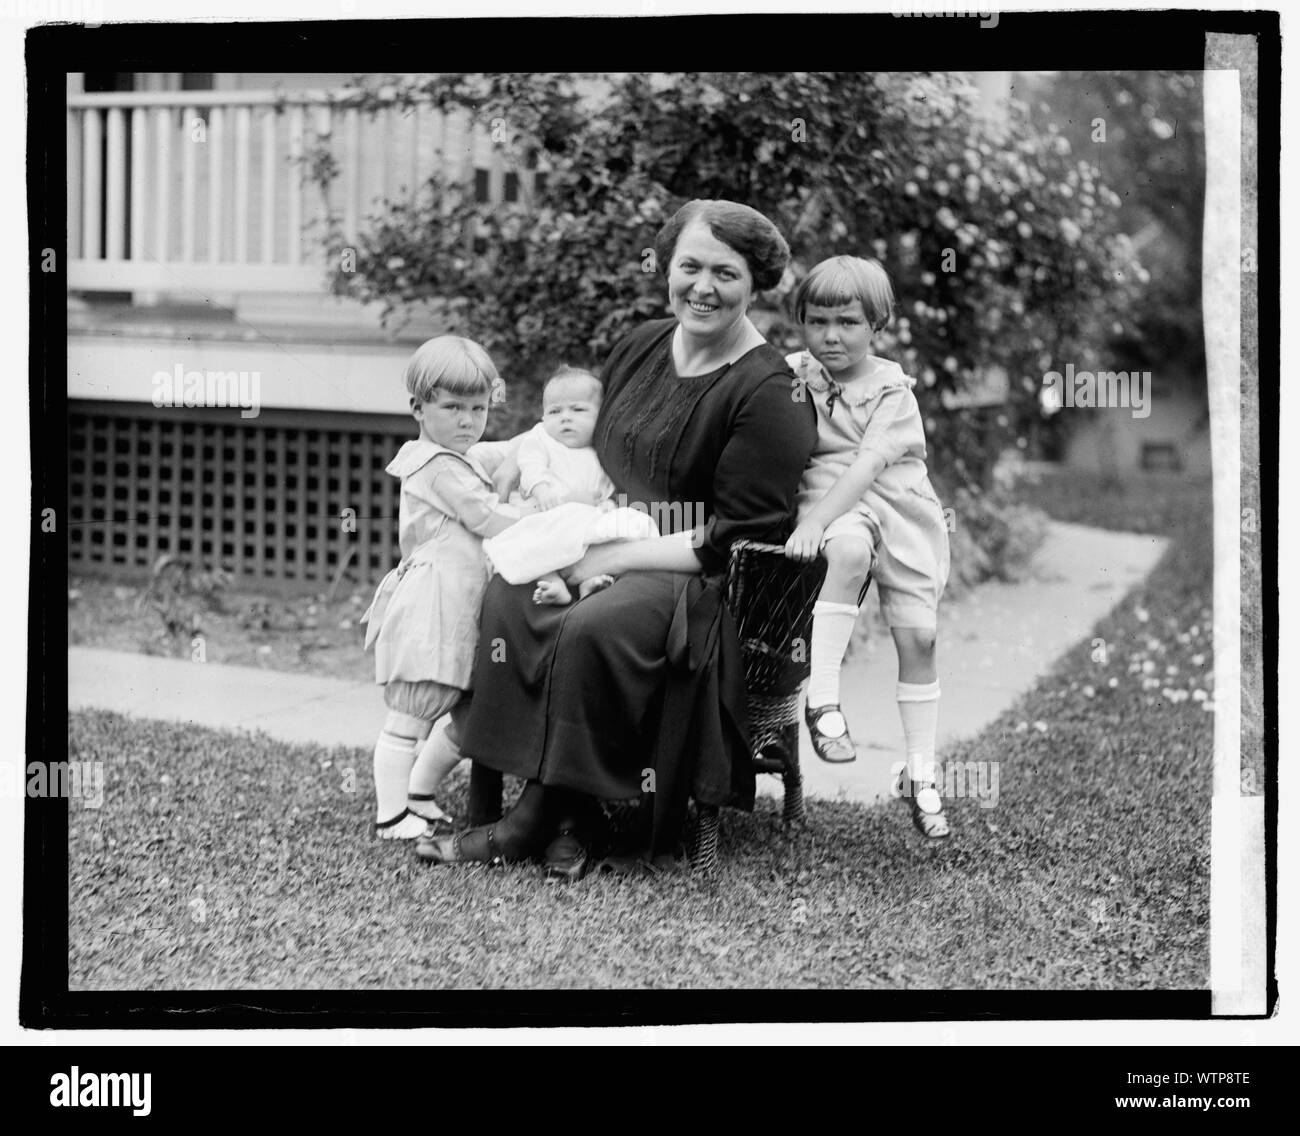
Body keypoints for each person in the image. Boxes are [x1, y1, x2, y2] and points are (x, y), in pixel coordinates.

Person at [417, 199, 817, 879]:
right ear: (667, 268)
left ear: (757, 285)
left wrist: (608, 558)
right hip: (603, 531)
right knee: (513, 597)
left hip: (702, 581)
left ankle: (532, 818)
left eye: (726, 273)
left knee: (592, 623)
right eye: (689, 266)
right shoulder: (639, 346)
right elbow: (580, 447)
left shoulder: (770, 391)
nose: (704, 287)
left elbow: (736, 536)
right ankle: (575, 816)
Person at [782, 255, 952, 839]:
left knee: (920, 638)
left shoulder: (891, 389)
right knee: (848, 555)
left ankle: (921, 773)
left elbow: (872, 464)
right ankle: (823, 701)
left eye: (849, 322)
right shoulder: (791, 374)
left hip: (897, 501)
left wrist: (814, 524)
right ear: (801, 321)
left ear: (875, 325)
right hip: (832, 494)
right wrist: (817, 522)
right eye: (818, 320)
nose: (832, 335)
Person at [360, 335, 525, 839]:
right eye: (453, 407)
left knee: (465, 715)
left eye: (477, 408)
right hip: (432, 607)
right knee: (412, 713)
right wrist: (537, 518)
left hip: (460, 608)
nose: (467, 420)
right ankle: (391, 816)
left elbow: (495, 466)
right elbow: (484, 515)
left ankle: (418, 792)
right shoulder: (432, 465)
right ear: (418, 408)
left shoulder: (459, 458)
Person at [482, 365, 659, 606]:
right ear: (543, 417)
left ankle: (591, 581)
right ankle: (551, 580)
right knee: (526, 539)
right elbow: (530, 463)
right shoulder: (542, 438)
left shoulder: (603, 446)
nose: (565, 417)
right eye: (554, 411)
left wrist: (607, 503)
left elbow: (610, 484)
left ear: (601, 416)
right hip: (549, 510)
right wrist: (540, 488)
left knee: (628, 524)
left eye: (578, 409)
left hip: (589, 515)